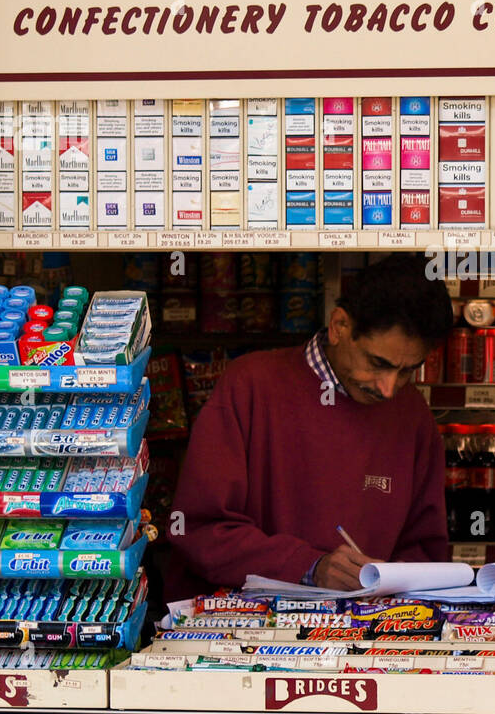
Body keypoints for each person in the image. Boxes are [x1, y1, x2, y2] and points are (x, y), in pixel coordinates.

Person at [163, 254, 454, 603]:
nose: (389, 387)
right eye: (378, 364)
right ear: (339, 326)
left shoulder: (412, 413)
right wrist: (310, 567)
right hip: (243, 635)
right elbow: (197, 529)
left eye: (407, 371)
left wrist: (393, 588)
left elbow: (426, 551)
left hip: (366, 636)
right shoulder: (250, 385)